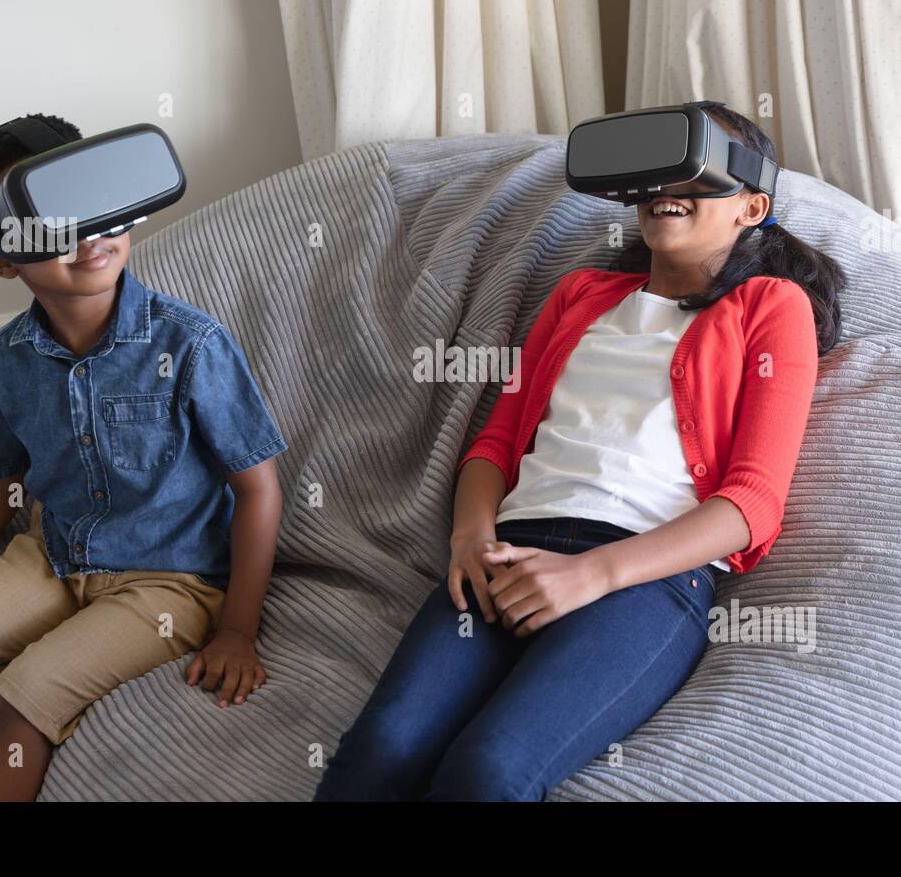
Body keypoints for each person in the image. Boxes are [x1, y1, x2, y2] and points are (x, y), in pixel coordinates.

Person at [314, 101, 845, 801]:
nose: (669, 186)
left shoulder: (772, 306)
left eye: (695, 168)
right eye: (658, 170)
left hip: (642, 583)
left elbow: (752, 504)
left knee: (488, 770)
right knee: (382, 749)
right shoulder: (581, 294)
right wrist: (470, 539)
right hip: (506, 552)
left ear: (751, 208)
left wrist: (591, 576)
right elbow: (496, 444)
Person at [0, 114, 288, 801]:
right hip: (52, 556)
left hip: (169, 582)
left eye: (90, 199)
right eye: (45, 217)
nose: (85, 229)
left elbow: (259, 488)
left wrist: (239, 631)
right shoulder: (4, 365)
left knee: (18, 702)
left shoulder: (192, 344)